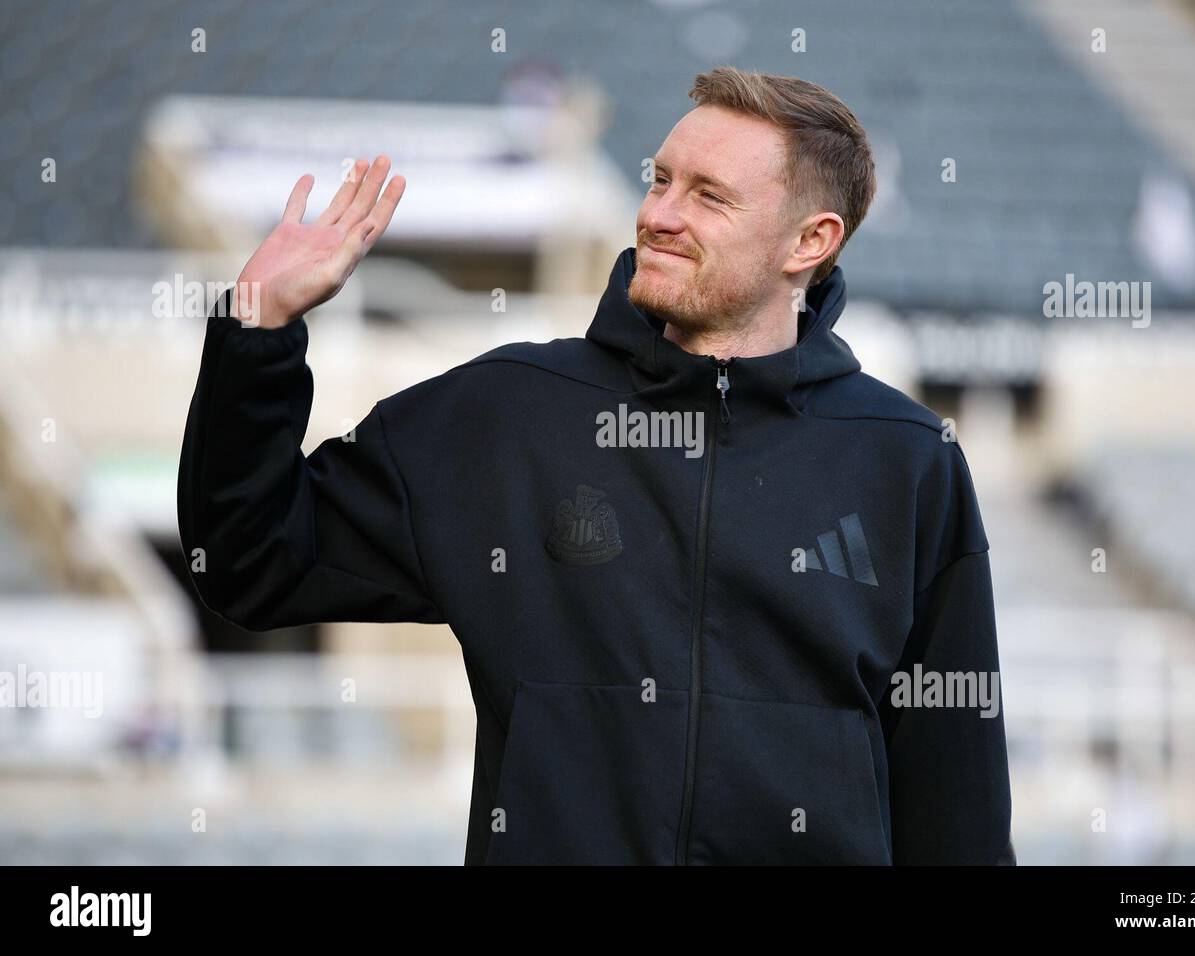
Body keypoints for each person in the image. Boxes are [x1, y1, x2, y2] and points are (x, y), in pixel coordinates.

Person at [178, 66, 1015, 865]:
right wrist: (258, 329)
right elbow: (251, 561)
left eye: (709, 196)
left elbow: (957, 800)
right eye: (661, 181)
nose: (659, 215)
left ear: (811, 240)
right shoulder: (507, 412)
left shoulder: (905, 458)